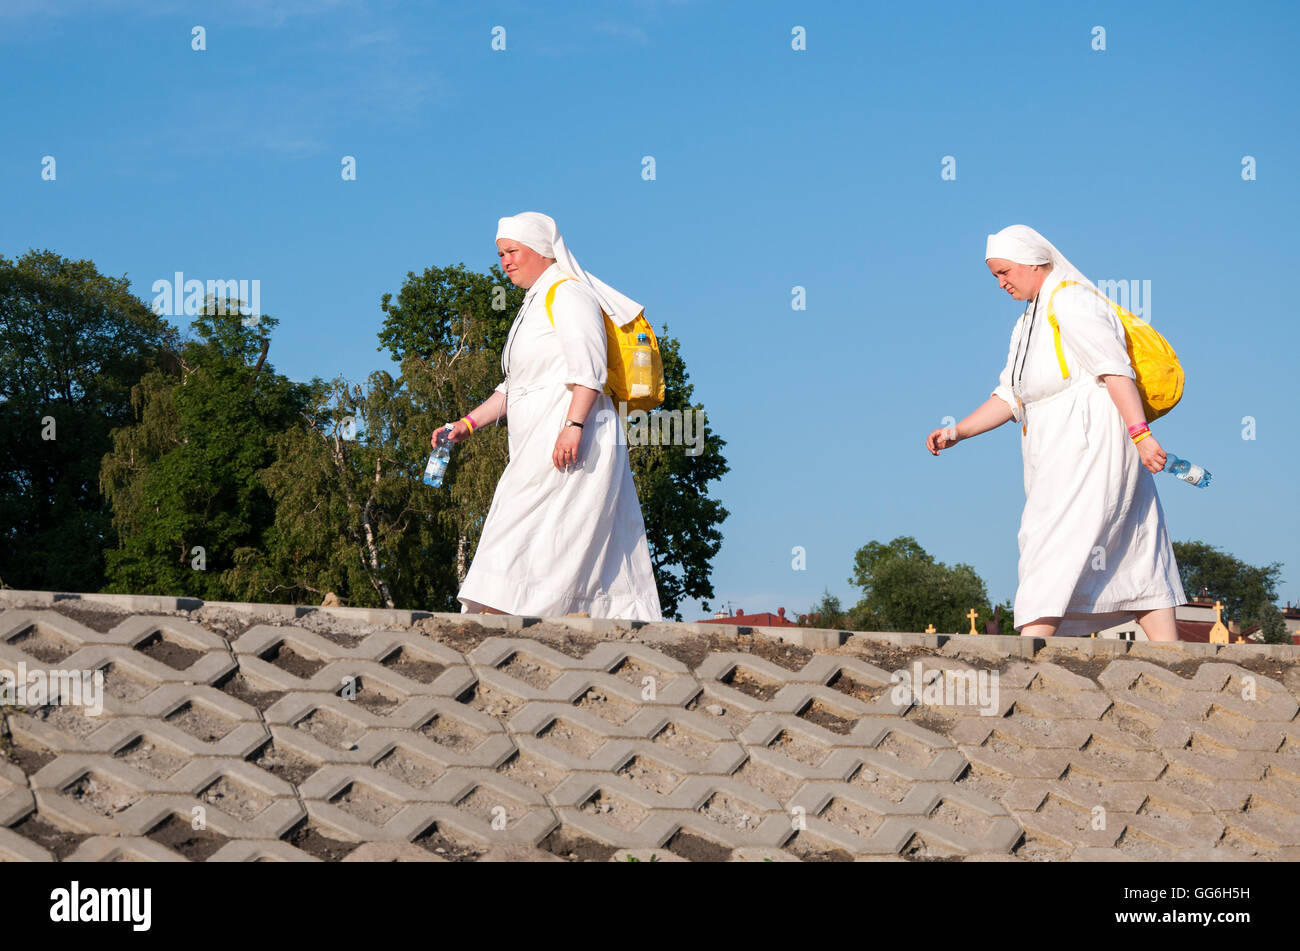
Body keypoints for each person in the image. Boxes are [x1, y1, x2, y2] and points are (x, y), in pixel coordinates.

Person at [925, 225, 1185, 640]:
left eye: (1005, 272)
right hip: (1054, 450)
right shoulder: (1027, 322)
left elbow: (1117, 371)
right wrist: (958, 432)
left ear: (1033, 263)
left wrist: (1141, 435)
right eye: (995, 275)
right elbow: (1010, 396)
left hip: (1091, 444)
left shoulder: (1073, 302)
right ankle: (1173, 656)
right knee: (1132, 542)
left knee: (1052, 538)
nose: (1001, 283)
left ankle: (1030, 651)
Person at [437, 212, 663, 621]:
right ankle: (582, 620)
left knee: (536, 531)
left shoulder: (569, 293)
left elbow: (590, 370)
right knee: (557, 535)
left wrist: (573, 427)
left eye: (512, 251)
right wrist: (464, 426)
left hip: (573, 437)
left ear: (541, 251)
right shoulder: (535, 301)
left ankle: (506, 619)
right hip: (540, 440)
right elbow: (513, 386)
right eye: (500, 254)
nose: (504, 261)